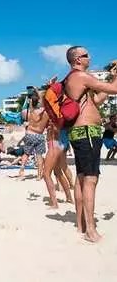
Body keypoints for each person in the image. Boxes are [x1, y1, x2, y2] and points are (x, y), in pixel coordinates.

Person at [61, 46, 117, 243]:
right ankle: (90, 230)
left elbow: (98, 100)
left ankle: (81, 223)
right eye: (86, 55)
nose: (89, 57)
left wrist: (112, 79)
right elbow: (114, 90)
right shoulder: (80, 76)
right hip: (87, 133)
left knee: (82, 177)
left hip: (80, 133)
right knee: (91, 180)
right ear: (77, 59)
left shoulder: (74, 79)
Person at [18, 87, 48, 180]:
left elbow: (31, 102)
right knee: (39, 156)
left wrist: (34, 92)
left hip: (30, 134)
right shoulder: (46, 113)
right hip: (40, 135)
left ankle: (22, 169)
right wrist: (37, 91)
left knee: (26, 153)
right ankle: (39, 176)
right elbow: (43, 101)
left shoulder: (32, 111)